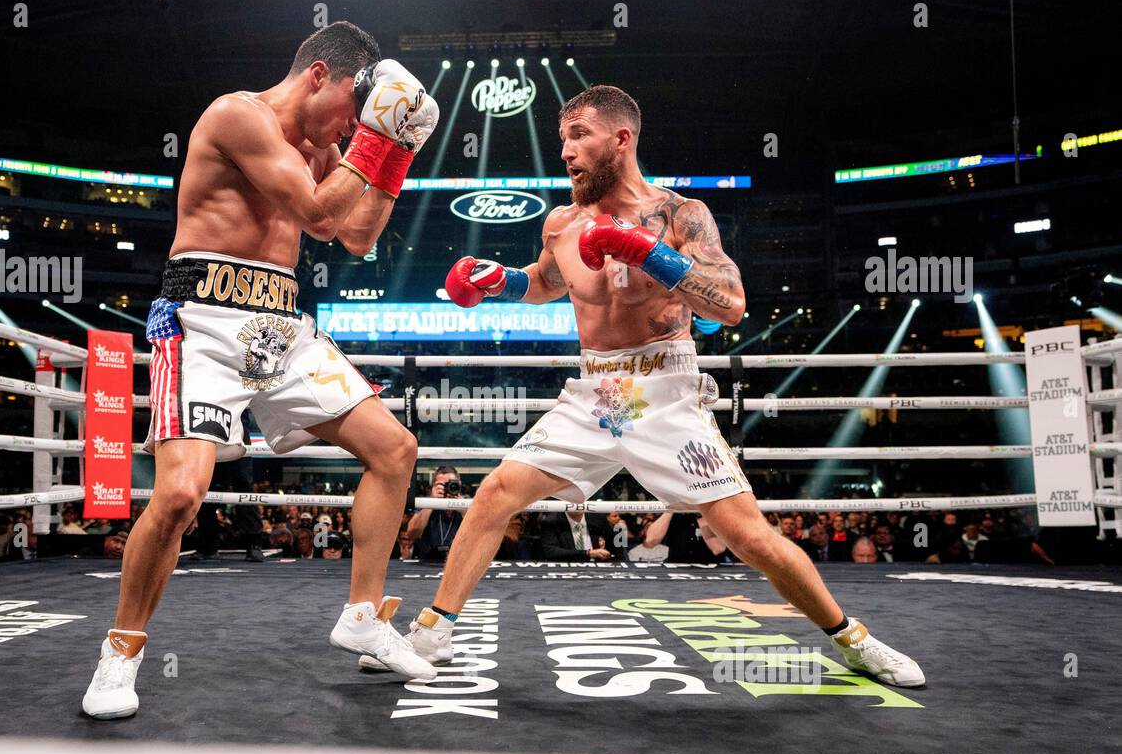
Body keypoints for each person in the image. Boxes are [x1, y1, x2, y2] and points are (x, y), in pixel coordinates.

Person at [362, 84, 923, 687]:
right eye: (562, 140)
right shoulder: (561, 224)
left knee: (746, 534)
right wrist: (501, 280)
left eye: (580, 136)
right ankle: (435, 630)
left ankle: (854, 640)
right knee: (496, 494)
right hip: (594, 392)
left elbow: (731, 305)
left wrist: (647, 251)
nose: (567, 152)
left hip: (665, 389)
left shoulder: (681, 215)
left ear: (621, 139)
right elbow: (548, 283)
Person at [83, 21, 441, 719]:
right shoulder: (235, 114)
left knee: (395, 449)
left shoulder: (325, 144)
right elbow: (312, 211)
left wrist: (395, 152)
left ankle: (363, 615)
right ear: (319, 76)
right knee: (182, 494)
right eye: (351, 109)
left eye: (361, 122)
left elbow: (356, 235)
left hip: (280, 326)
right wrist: (377, 138)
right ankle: (119, 653)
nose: (349, 128)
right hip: (200, 319)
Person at [406, 465, 463, 562]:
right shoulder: (425, 504)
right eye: (442, 485)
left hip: (459, 562)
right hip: (427, 562)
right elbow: (412, 534)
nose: (447, 488)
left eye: (451, 484)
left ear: (459, 484)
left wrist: (462, 508)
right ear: (433, 486)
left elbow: (481, 535)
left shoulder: (467, 505)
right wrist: (431, 502)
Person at [538, 509, 614, 562]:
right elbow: (551, 551)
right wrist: (587, 553)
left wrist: (605, 549)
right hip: (567, 569)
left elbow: (614, 546)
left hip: (598, 568)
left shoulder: (598, 518)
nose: (577, 503)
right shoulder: (552, 522)